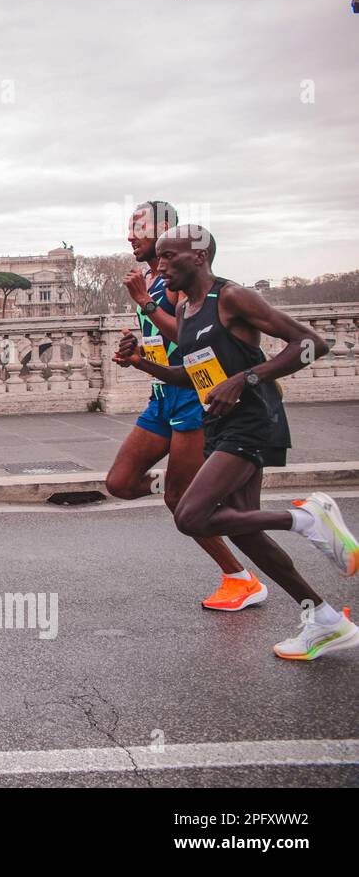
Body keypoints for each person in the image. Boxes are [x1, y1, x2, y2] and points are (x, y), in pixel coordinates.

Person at [116, 226, 359, 661]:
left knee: (190, 515)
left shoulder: (231, 298)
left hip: (253, 421)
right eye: (161, 257)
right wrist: (142, 364)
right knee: (246, 532)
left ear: (199, 257)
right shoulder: (189, 312)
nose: (161, 265)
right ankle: (324, 618)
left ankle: (304, 517)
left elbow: (312, 344)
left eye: (170, 257)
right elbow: (191, 375)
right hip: (221, 425)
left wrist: (246, 378)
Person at [104, 201, 262, 611]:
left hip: (195, 394)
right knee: (120, 483)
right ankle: (185, 485)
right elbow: (168, 342)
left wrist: (144, 303)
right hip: (163, 395)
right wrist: (137, 354)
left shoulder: (173, 282)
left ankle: (240, 579)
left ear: (164, 232)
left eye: (138, 228)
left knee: (180, 503)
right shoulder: (154, 280)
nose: (130, 236)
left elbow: (189, 334)